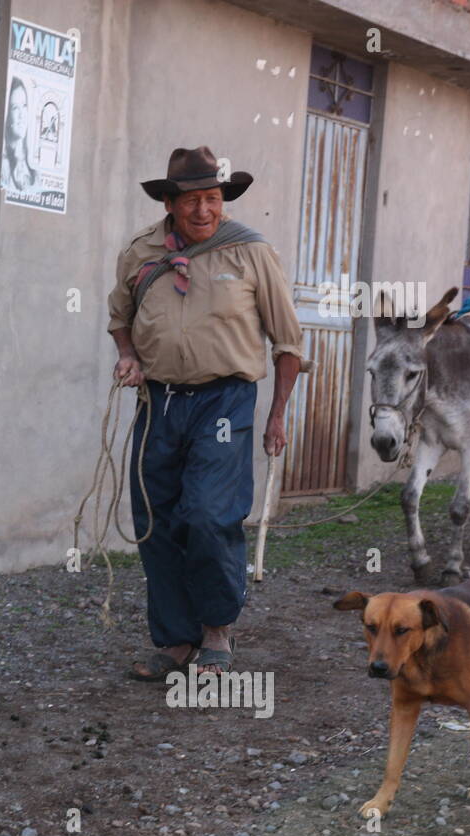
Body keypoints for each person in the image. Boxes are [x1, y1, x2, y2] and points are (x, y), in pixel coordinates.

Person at [106, 146, 309, 679]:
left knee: (208, 515)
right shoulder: (140, 252)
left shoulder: (250, 252)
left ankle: (216, 630)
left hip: (224, 400)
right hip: (159, 402)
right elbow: (118, 317)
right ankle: (175, 639)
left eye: (213, 199)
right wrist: (128, 355)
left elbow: (288, 342)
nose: (204, 211)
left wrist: (277, 415)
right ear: (170, 203)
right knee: (157, 518)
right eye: (192, 200)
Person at [0, 77, 37, 193]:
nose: (22, 115)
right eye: (15, 108)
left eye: (24, 105)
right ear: (7, 115)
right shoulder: (2, 166)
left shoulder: (33, 166)